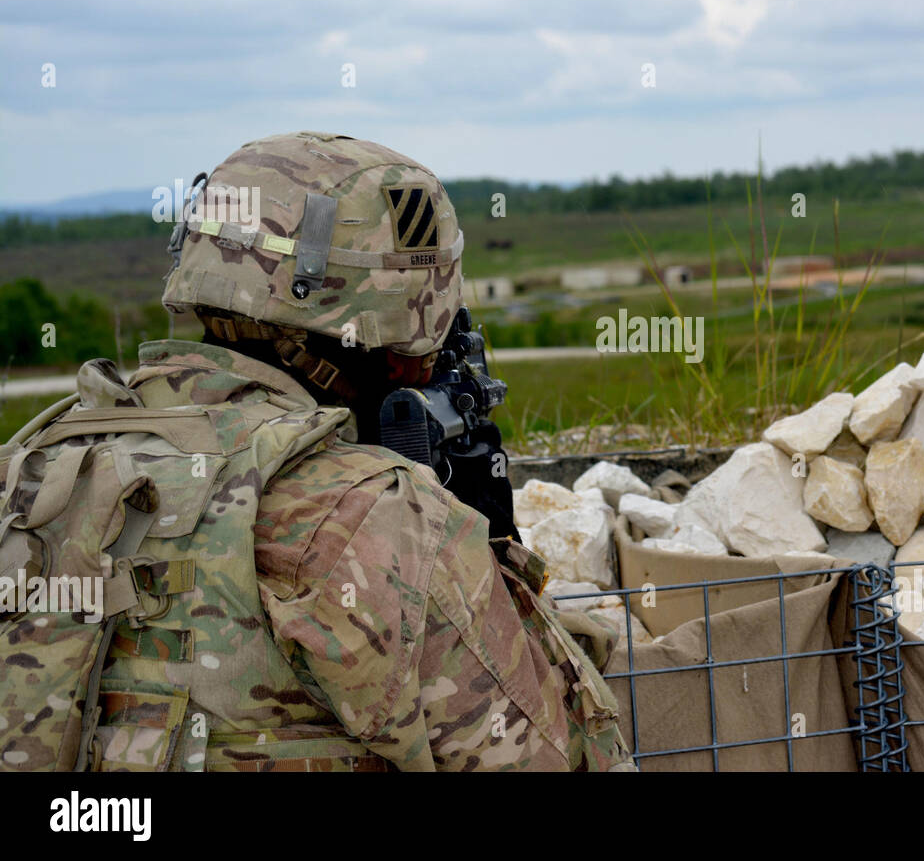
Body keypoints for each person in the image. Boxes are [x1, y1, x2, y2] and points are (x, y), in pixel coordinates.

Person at [0, 131, 634, 772]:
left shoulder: (28, 470)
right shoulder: (370, 515)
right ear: (390, 337)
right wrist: (491, 553)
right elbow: (572, 755)